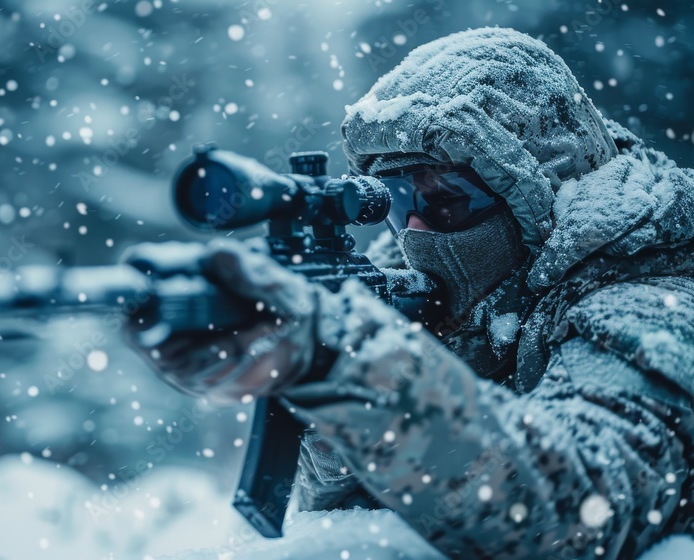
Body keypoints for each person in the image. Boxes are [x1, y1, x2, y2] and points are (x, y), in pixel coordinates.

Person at [126, 27, 694, 559]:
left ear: (534, 194)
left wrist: (352, 365)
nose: (416, 230)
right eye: (397, 202)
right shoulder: (441, 294)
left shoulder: (651, 298)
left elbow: (568, 514)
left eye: (447, 198)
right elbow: (343, 512)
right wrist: (305, 380)